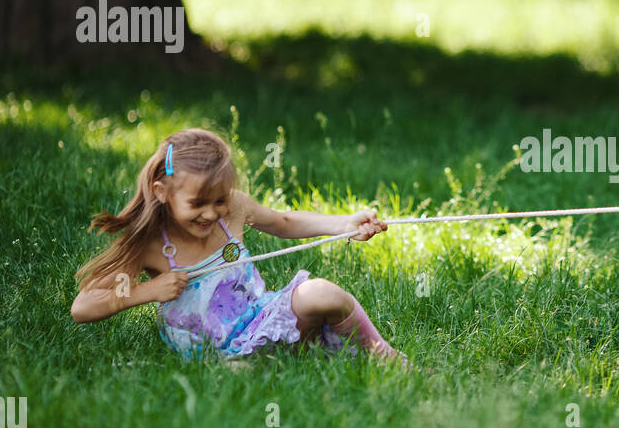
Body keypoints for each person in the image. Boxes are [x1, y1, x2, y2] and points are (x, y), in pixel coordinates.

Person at [71, 128, 403, 363]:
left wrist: (342, 225)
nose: (211, 213)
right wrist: (149, 291)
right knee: (236, 377)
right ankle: (267, 363)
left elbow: (283, 223)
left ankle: (385, 357)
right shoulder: (152, 243)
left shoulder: (233, 209)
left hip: (262, 322)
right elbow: (83, 307)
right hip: (212, 355)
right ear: (162, 192)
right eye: (198, 203)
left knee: (322, 293)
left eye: (218, 200)